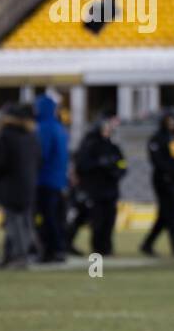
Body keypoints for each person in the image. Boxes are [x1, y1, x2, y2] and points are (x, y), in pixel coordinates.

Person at [0, 103, 40, 268]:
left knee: (13, 223)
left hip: (10, 185)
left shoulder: (6, 136)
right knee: (24, 221)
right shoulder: (31, 136)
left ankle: (18, 256)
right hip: (28, 184)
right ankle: (12, 256)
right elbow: (39, 160)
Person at [73, 112, 126, 256]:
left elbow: (122, 163)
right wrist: (99, 165)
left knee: (109, 220)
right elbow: (82, 165)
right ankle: (97, 249)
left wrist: (118, 171)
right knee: (97, 221)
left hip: (110, 189)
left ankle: (107, 247)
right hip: (94, 189)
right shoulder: (90, 144)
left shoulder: (112, 145)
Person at [140, 112, 174, 257]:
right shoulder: (158, 139)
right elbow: (157, 160)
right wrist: (168, 172)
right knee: (170, 214)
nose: (172, 124)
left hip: (173, 180)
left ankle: (148, 244)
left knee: (166, 215)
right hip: (163, 180)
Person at [33, 95, 69, 263]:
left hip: (44, 179)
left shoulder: (44, 128)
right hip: (57, 179)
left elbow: (41, 155)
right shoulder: (59, 128)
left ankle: (52, 250)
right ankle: (58, 249)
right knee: (54, 216)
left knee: (46, 217)